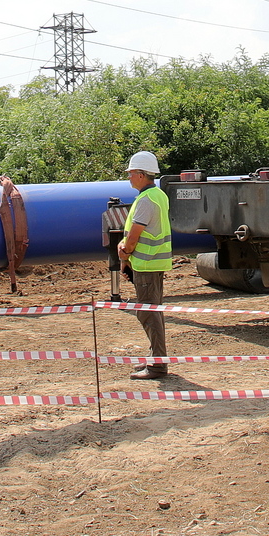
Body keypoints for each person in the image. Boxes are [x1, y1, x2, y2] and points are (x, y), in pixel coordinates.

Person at [117, 150, 173, 380]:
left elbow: (134, 235)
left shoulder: (146, 200)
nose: (129, 177)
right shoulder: (157, 195)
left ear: (141, 174)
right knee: (152, 313)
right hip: (151, 263)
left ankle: (157, 365)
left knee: (149, 315)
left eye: (131, 173)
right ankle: (155, 360)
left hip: (146, 264)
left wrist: (124, 252)